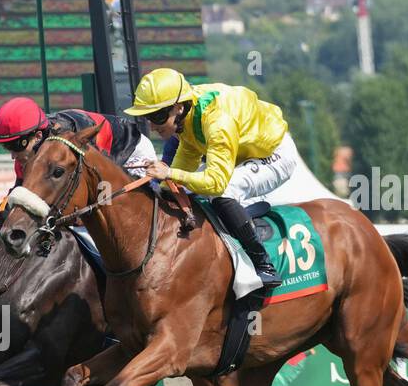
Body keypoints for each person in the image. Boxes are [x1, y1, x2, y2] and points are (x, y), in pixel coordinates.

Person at [125, 67, 292, 287]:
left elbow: (216, 183)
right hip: (240, 153)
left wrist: (170, 172)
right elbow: (188, 154)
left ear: (179, 107)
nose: (152, 125)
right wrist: (162, 180)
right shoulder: (189, 114)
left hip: (273, 154)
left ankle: (263, 264)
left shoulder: (217, 122)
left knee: (222, 192)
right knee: (170, 188)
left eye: (157, 116)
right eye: (147, 117)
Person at [0, 96, 156, 186]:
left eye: (15, 146)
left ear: (38, 136)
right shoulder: (25, 154)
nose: (13, 155)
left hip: (128, 151)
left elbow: (94, 181)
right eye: (7, 147)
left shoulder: (69, 135)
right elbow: (21, 190)